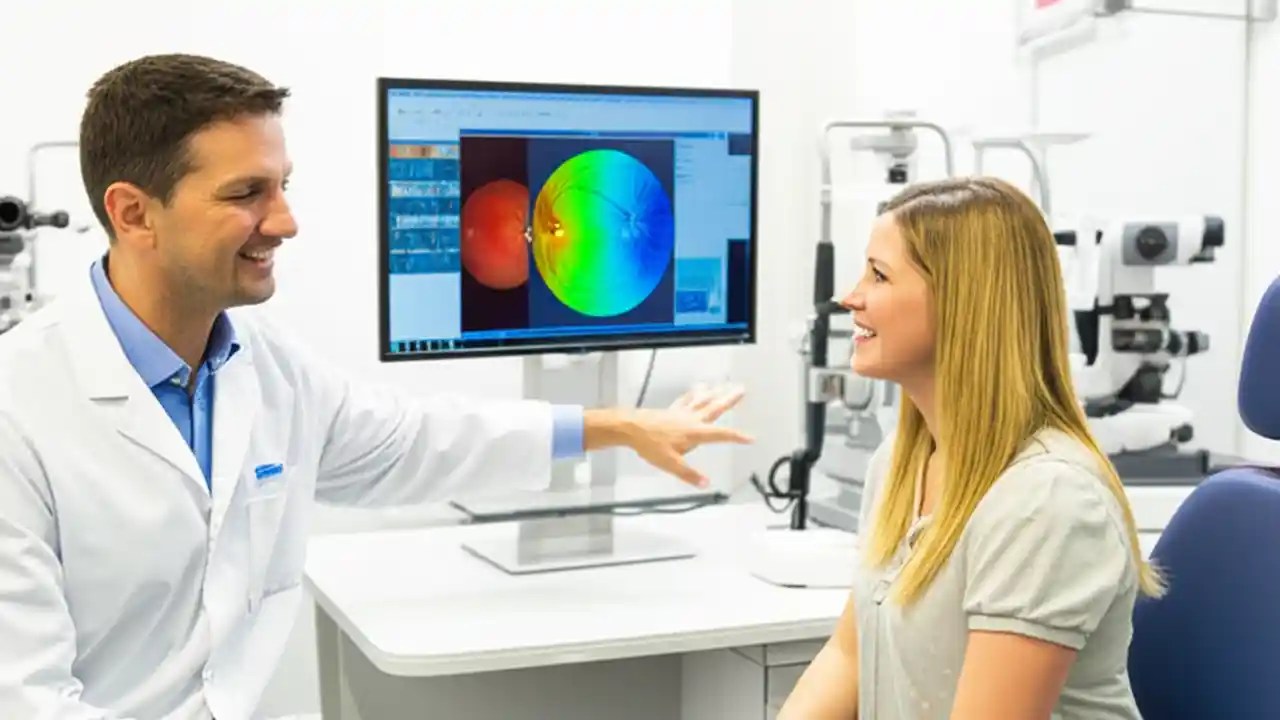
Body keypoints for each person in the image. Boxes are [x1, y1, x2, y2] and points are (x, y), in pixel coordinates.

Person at [0, 54, 751, 719]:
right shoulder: (19, 408)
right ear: (134, 213)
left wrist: (616, 427)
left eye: (284, 186)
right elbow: (25, 699)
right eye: (246, 194)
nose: (286, 221)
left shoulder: (265, 367)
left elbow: (414, 443)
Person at [778, 177, 1165, 719]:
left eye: (879, 275)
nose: (850, 296)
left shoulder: (1046, 499)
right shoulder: (899, 463)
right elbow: (847, 658)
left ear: (964, 303)